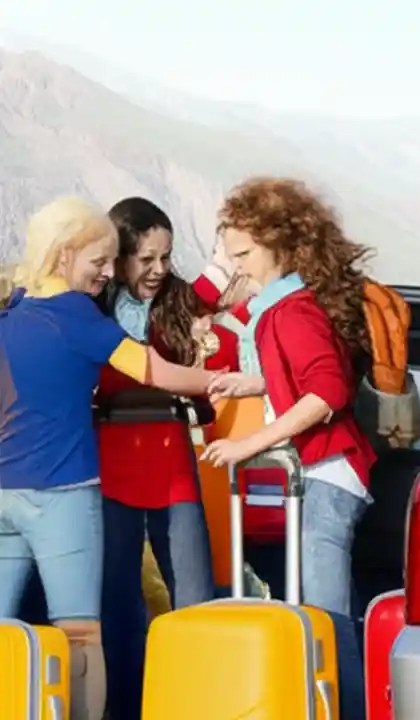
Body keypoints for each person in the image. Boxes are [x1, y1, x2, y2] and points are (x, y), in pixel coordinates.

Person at [0, 196, 217, 720]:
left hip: (4, 492)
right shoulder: (77, 316)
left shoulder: (12, 310)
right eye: (98, 260)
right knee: (79, 634)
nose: (106, 272)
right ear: (65, 253)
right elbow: (156, 373)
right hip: (63, 494)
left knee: (4, 627)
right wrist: (225, 380)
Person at [202, 177, 377, 720]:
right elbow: (301, 381)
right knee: (317, 610)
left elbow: (326, 390)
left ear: (280, 245)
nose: (237, 267)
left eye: (244, 254)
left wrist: (251, 441)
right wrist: (249, 384)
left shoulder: (292, 311)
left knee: (325, 615)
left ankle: (343, 710)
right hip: (324, 471)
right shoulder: (287, 307)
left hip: (328, 472)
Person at [94, 197, 239, 720]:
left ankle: (197, 705)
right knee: (118, 603)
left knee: (193, 594)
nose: (158, 270)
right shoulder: (92, 306)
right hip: (111, 460)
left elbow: (219, 285)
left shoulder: (179, 300)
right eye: (146, 259)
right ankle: (125, 709)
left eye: (166, 257)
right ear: (119, 255)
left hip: (173, 459)